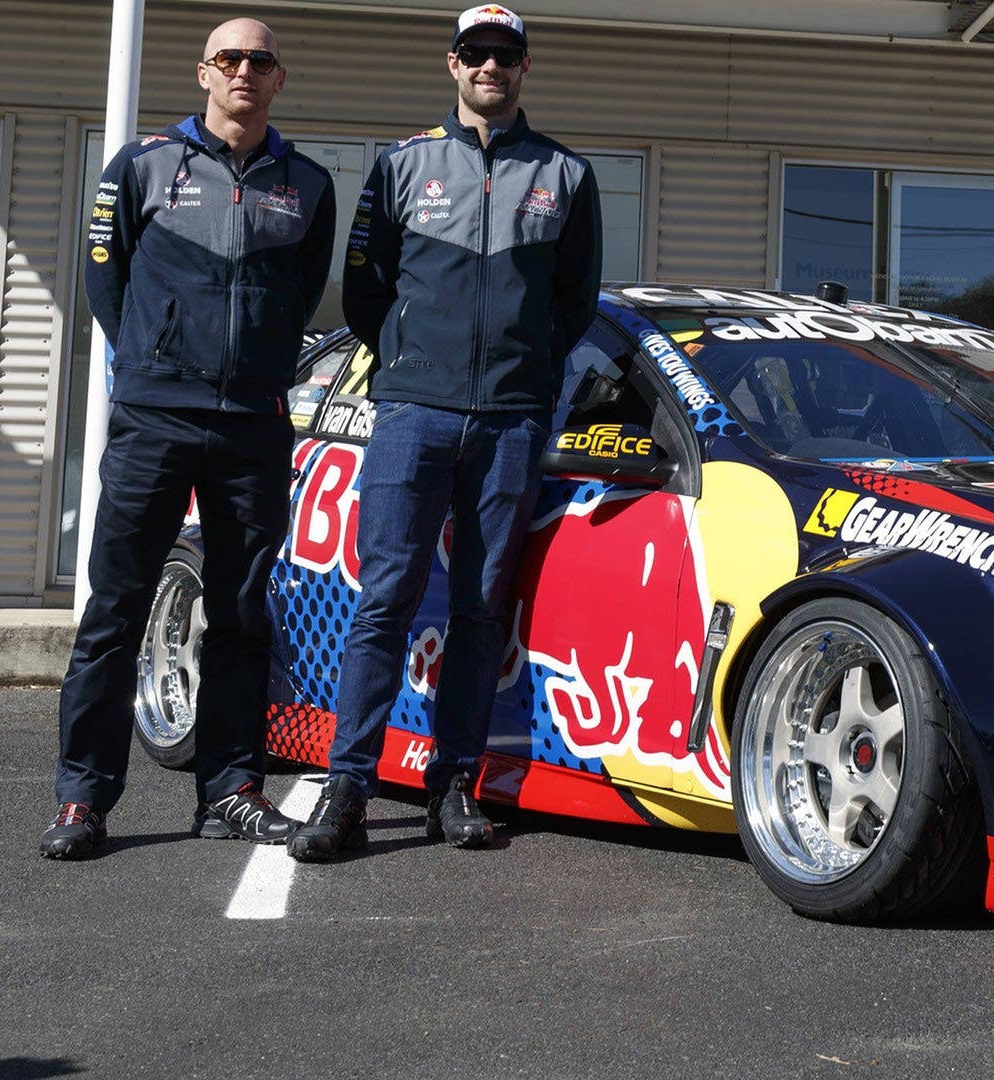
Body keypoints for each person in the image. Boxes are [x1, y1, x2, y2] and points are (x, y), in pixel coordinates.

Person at [290, 4, 603, 861]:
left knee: (478, 608)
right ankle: (347, 786)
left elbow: (574, 302)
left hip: (510, 420)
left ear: (525, 68)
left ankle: (455, 783)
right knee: (384, 601)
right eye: (476, 53)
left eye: (506, 55)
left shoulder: (567, 175)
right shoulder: (402, 165)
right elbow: (364, 291)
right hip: (413, 413)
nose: (490, 67)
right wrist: (405, 362)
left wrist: (526, 376)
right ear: (453, 64)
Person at [42, 19, 336, 858]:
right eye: (231, 58)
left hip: (253, 423)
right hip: (155, 418)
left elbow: (304, 289)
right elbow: (106, 278)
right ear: (205, 72)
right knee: (116, 605)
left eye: (262, 60)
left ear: (279, 79)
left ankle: (231, 790)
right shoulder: (139, 168)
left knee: (241, 612)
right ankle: (83, 799)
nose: (246, 71)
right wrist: (153, 360)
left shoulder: (308, 184)